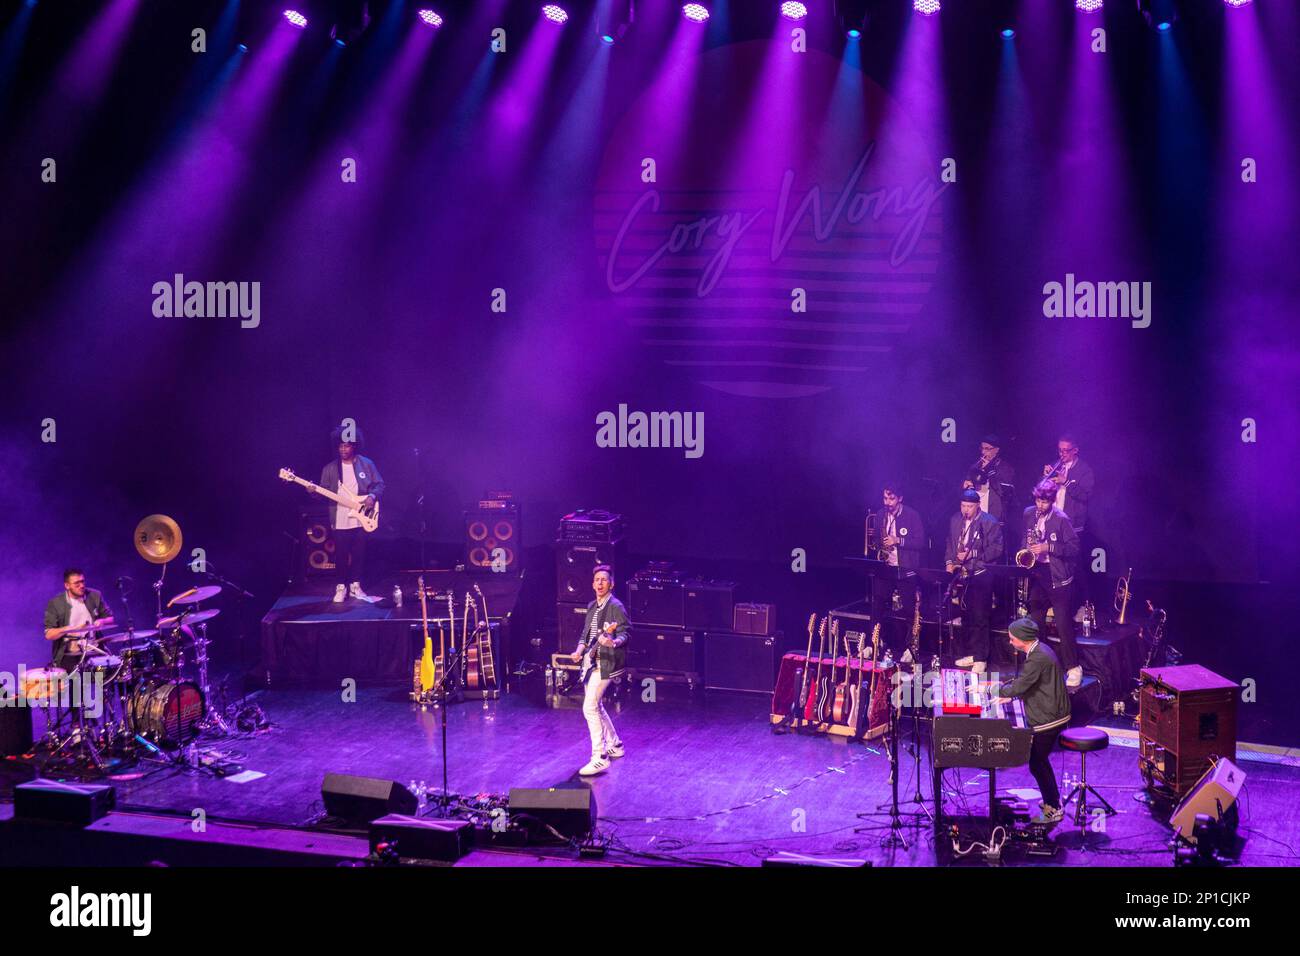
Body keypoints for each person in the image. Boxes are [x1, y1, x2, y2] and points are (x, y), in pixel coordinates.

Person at [990, 617, 1071, 825]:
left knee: (1037, 762)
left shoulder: (1037, 658)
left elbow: (1022, 685)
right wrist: (1012, 695)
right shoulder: (1040, 650)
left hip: (1049, 718)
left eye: (1012, 639)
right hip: (1054, 712)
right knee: (1039, 762)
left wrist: (991, 689)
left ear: (1022, 640)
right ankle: (1053, 802)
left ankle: (1054, 807)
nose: (1010, 642)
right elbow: (1032, 684)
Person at [569, 565, 630, 777]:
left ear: (611, 584)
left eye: (604, 579)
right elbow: (586, 635)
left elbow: (626, 633)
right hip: (592, 661)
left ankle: (600, 757)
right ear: (593, 583)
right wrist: (578, 652)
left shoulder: (616, 606)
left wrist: (613, 641)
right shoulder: (592, 606)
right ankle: (615, 744)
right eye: (597, 579)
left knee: (589, 707)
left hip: (608, 663)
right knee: (596, 706)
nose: (600, 583)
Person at [314, 425, 385, 603]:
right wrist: (312, 490)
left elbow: (379, 485)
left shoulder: (366, 464)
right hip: (340, 517)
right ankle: (340, 587)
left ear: (354, 446)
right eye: (340, 446)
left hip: (362, 516)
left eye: (347, 446)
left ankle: (355, 586)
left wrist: (372, 496)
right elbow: (322, 493)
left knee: (359, 553)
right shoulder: (330, 469)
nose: (343, 449)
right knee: (341, 554)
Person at [1023, 479, 1083, 687]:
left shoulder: (1061, 519)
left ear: (1053, 500)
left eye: (1045, 502)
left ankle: (1073, 667)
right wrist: (1027, 549)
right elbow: (1027, 539)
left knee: (1063, 624)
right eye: (1038, 501)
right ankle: (1042, 665)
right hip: (1037, 574)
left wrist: (1048, 548)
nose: (1040, 506)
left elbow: (1074, 548)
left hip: (1058, 577)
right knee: (1035, 622)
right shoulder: (1029, 513)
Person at [944, 488, 1002, 672]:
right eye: (963, 505)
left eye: (969, 506)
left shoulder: (989, 522)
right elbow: (950, 543)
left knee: (980, 617)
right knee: (966, 616)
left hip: (981, 574)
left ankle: (981, 657)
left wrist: (971, 554)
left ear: (977, 505)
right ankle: (970, 653)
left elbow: (997, 549)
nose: (966, 509)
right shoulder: (955, 520)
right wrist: (949, 561)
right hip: (962, 574)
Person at [870, 481, 925, 652]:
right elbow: (878, 540)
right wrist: (880, 548)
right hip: (886, 567)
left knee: (909, 610)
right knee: (877, 605)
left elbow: (920, 542)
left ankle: (911, 647)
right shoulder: (880, 514)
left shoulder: (912, 515)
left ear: (900, 498)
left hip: (906, 569)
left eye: (891, 498)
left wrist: (897, 541)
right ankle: (874, 642)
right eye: (885, 498)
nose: (887, 502)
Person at [43, 569, 114, 671]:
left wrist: (102, 621)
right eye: (77, 583)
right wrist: (68, 629)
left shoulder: (94, 596)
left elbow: (110, 618)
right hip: (69, 655)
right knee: (77, 686)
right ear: (67, 585)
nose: (81, 586)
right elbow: (49, 634)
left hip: (94, 650)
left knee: (103, 681)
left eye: (82, 581)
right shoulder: (55, 603)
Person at [963, 434, 1016, 523]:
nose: (983, 452)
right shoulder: (976, 466)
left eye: (987, 449)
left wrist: (989, 469)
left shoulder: (1004, 467)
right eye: (982, 448)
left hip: (994, 515)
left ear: (996, 450)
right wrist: (967, 485)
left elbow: (1003, 491)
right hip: (976, 513)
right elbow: (968, 485)